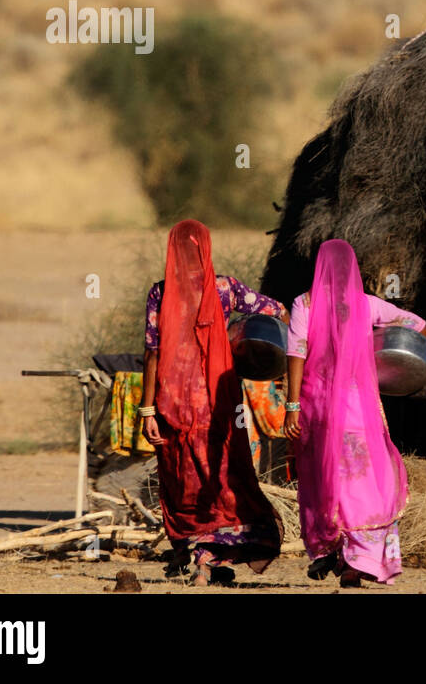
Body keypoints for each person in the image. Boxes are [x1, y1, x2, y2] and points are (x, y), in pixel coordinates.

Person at [138, 219, 286, 587]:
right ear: (206, 249)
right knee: (223, 472)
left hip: (173, 401)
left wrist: (147, 410)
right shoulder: (224, 288)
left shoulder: (160, 293)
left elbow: (152, 354)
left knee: (184, 477)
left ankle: (198, 555)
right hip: (218, 401)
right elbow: (277, 310)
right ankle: (211, 554)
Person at [283, 239, 426, 587]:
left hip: (317, 407)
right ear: (352, 269)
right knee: (361, 478)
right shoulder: (367, 305)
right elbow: (418, 324)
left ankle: (332, 550)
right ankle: (359, 556)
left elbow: (296, 355)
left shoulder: (305, 304)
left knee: (325, 476)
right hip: (357, 408)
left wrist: (292, 406)